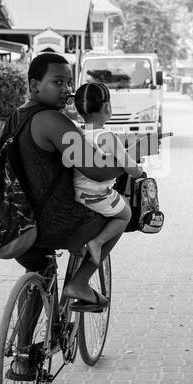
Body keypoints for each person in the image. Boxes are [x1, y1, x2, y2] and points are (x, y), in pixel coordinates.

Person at [4, 54, 142, 378]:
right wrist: (126, 164)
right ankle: (79, 285)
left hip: (16, 224)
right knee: (116, 218)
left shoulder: (16, 117)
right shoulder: (53, 122)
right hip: (55, 222)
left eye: (69, 82)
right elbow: (93, 169)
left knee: (41, 271)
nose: (66, 89)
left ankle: (23, 357)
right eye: (57, 82)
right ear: (34, 85)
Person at [71, 82, 139, 266]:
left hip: (73, 193)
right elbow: (130, 168)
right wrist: (139, 169)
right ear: (108, 108)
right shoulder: (108, 138)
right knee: (125, 214)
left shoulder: (75, 132)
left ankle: (78, 245)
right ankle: (97, 242)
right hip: (96, 197)